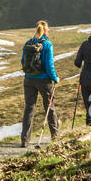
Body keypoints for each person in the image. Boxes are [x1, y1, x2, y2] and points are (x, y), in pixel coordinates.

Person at [19, 20, 59, 148]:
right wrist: (55, 78)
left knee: (29, 107)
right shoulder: (47, 45)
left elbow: (22, 61)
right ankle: (55, 135)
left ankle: (25, 139)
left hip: (28, 79)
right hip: (44, 81)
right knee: (49, 107)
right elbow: (49, 65)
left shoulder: (28, 43)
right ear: (46, 31)